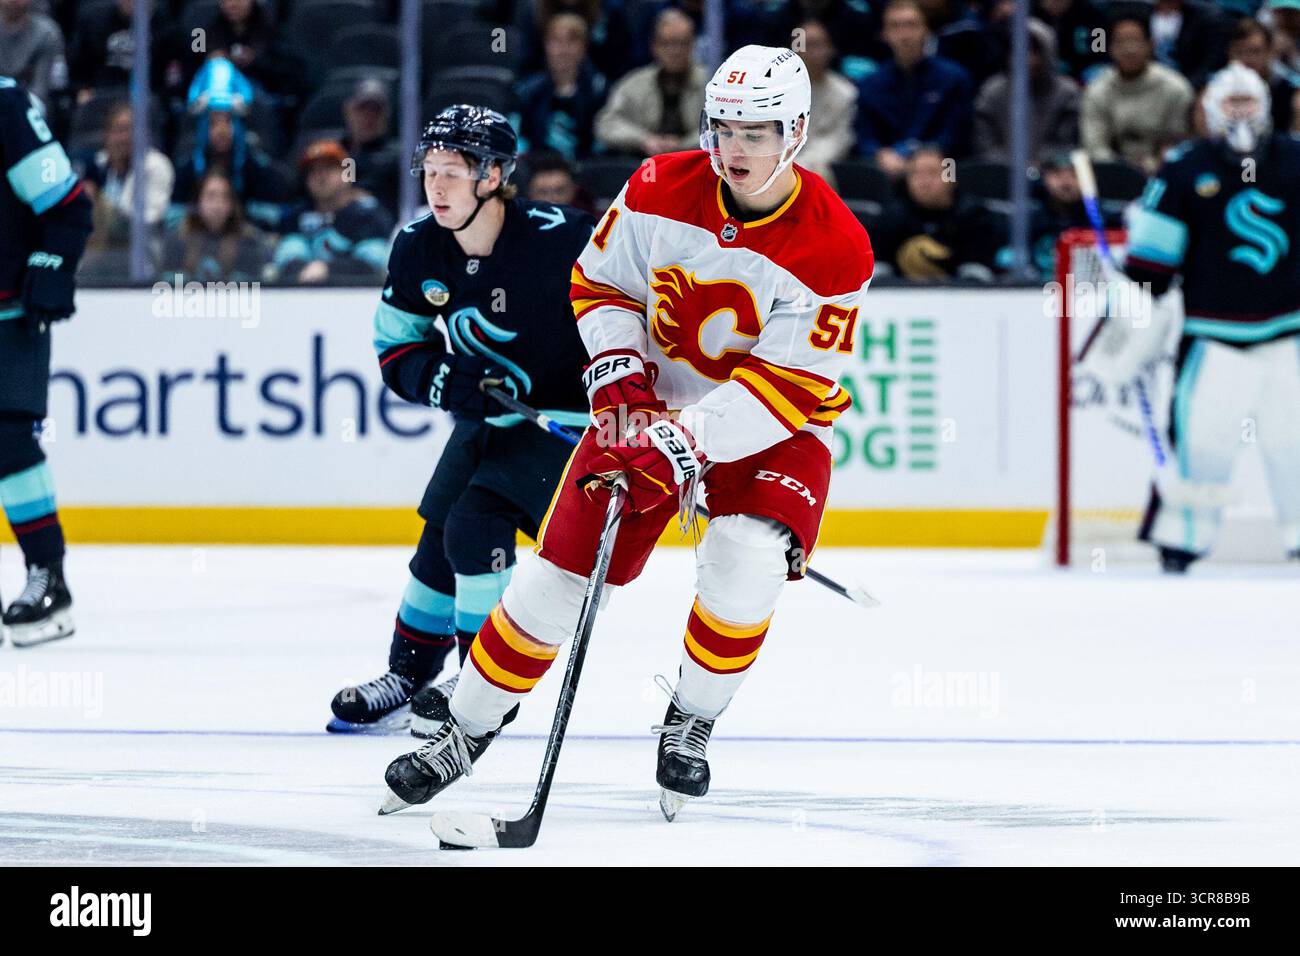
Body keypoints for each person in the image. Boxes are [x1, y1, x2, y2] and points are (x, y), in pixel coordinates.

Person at [380, 46, 873, 821]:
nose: (735, 150)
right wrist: (619, 375)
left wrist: (690, 441)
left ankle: (692, 719)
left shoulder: (835, 243)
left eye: (757, 132)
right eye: (724, 129)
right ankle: (464, 732)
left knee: (746, 563)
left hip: (770, 433)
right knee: (553, 583)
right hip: (640, 413)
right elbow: (599, 282)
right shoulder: (657, 185)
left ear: (799, 131)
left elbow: (788, 385)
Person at [327, 106, 595, 734]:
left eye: (454, 172)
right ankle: (411, 674)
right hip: (490, 421)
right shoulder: (420, 247)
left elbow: (640, 309)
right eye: (431, 172)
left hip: (569, 425)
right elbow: (398, 349)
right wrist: (449, 380)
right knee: (438, 537)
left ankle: (480, 689)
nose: (437, 186)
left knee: (475, 528)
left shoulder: (566, 239)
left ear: (495, 174)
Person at [1120, 63, 1300, 570]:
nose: (1240, 113)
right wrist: (1137, 285)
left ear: (1265, 105)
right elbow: (1151, 266)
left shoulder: (1295, 160)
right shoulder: (1184, 167)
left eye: (1248, 102)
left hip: (1289, 333)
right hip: (1212, 338)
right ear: (1210, 110)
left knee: (1295, 442)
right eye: (1230, 103)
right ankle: (1183, 538)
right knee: (1202, 442)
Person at [0, 74, 92, 646]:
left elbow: (66, 208)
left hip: (8, 308)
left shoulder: (4, 104)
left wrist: (51, 264)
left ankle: (49, 581)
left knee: (8, 442)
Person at [854, 0, 973, 179]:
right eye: (895, 27)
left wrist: (913, 156)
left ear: (926, 30)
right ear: (885, 34)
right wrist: (879, 154)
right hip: (884, 171)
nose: (904, 35)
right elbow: (865, 137)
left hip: (938, 169)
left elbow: (954, 136)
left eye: (911, 25)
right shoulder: (870, 84)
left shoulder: (953, 78)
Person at [1079, 11, 1195, 175]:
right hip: (1110, 176)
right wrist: (1124, 171)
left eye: (1136, 41)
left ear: (1151, 45)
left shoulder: (1176, 88)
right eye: (1121, 41)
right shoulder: (1096, 91)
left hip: (1164, 174)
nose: (1129, 49)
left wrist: (1156, 166)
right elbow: (1095, 147)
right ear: (1110, 47)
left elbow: (1179, 143)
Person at [871, 144, 1002, 281]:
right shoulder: (890, 217)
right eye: (916, 174)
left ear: (950, 177)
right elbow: (880, 272)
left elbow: (977, 274)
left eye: (932, 173)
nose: (924, 182)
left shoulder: (974, 216)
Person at [268, 140, 393, 284]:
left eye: (329, 168)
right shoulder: (295, 217)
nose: (321, 176)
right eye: (313, 171)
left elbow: (373, 263)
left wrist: (327, 269)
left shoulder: (368, 215)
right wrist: (303, 270)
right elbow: (286, 259)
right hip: (301, 297)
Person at [594, 8, 708, 158]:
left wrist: (683, 145)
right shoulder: (634, 83)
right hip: (642, 164)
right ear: (654, 46)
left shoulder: (710, 82)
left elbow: (721, 127)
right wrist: (644, 139)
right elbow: (606, 124)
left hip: (697, 162)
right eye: (667, 43)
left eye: (682, 43)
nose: (675, 51)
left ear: (693, 45)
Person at [974, 17, 1080, 167]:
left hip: (1053, 174)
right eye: (1015, 50)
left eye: (1032, 51)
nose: (1024, 58)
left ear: (1047, 53)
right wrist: (1015, 168)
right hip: (1002, 175)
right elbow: (985, 146)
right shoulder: (991, 93)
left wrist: (1036, 167)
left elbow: (1066, 145)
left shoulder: (1067, 94)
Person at [515, 11, 608, 161]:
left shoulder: (599, 91)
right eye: (556, 41)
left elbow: (600, 143)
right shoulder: (528, 90)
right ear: (545, 45)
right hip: (536, 171)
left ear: (584, 47)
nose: (563, 49)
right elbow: (519, 138)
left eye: (571, 41)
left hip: (583, 171)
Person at [157, 170, 273, 283]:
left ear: (232, 204)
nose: (218, 205)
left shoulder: (249, 241)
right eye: (211, 196)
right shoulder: (177, 239)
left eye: (225, 197)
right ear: (198, 201)